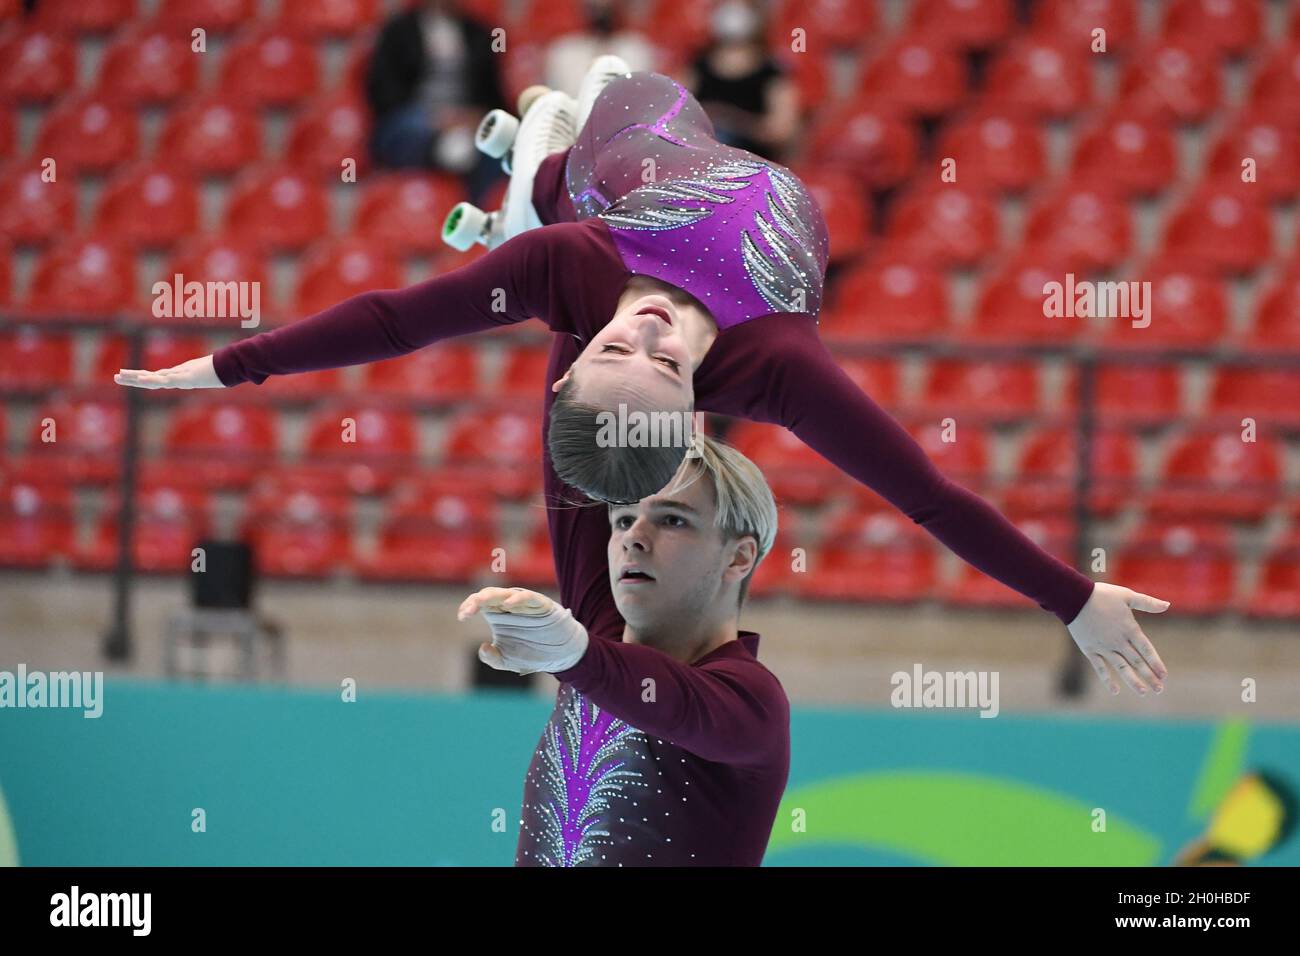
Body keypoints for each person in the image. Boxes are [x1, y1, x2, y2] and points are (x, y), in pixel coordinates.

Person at [114, 63, 1171, 699]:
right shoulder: (778, 367)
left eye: (618, 350)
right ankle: (526, 165)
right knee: (556, 218)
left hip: (625, 145)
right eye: (668, 366)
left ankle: (528, 166)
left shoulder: (573, 279)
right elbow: (928, 495)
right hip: (654, 193)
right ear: (700, 401)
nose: (654, 332)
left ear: (576, 353)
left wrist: (225, 364)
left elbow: (392, 320)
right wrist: (1070, 598)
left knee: (591, 124)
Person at [459, 429, 789, 867]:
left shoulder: (752, 702)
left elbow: (673, 703)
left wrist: (575, 654)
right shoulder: (598, 638)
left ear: (738, 557)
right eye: (622, 519)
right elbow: (571, 419)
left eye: (673, 520)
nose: (634, 537)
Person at [364, 0, 508, 202]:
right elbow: (381, 91)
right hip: (412, 120)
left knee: (498, 149)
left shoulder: (479, 33)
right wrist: (435, 118)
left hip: (466, 122)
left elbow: (492, 94)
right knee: (412, 130)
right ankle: (444, 157)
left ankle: (475, 215)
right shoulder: (397, 31)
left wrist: (475, 117)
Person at [682, 0, 800, 160]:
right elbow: (676, 115)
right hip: (700, 163)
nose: (732, 14)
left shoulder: (772, 73)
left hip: (750, 166)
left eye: (741, 8)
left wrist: (732, 121)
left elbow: (782, 131)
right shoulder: (695, 65)